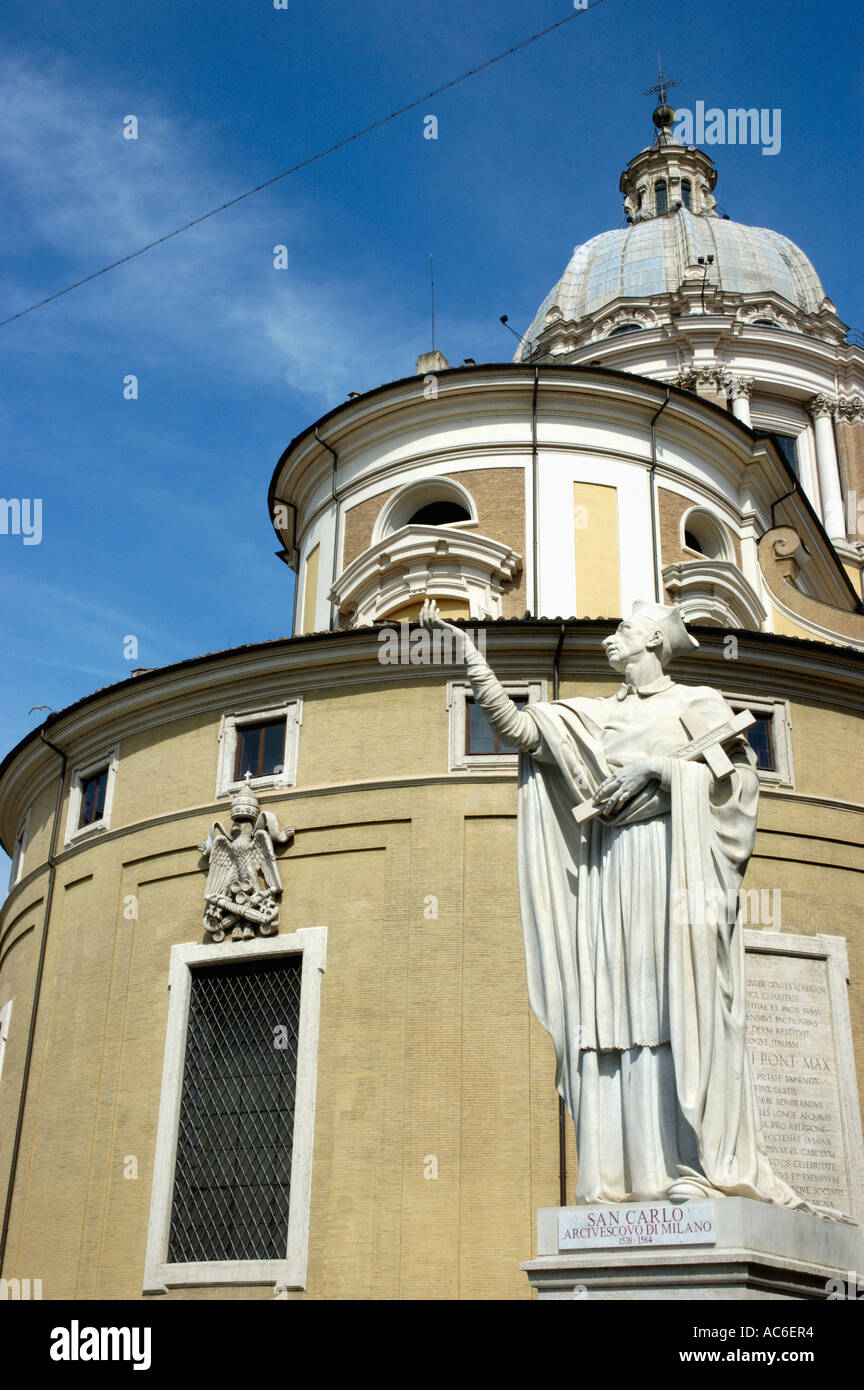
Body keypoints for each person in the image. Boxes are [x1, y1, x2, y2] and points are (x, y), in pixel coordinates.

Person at [420, 597, 811, 1211]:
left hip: (673, 863)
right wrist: (473, 659)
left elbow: (737, 781)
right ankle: (626, 1176)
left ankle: (693, 1166)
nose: (613, 637)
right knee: (616, 1012)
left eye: (626, 630)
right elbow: (520, 732)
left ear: (653, 641)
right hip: (611, 873)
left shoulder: (696, 703)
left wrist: (659, 770)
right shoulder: (594, 715)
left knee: (678, 1004)